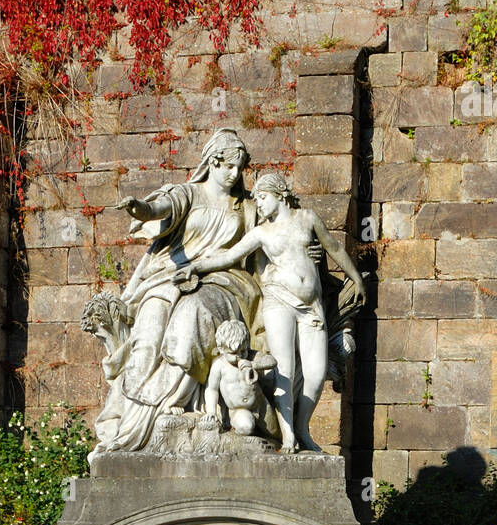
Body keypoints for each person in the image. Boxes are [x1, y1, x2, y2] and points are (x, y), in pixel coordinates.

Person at [90, 129, 265, 454]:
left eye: (240, 169)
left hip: (223, 283)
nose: (235, 175)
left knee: (191, 316)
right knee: (149, 328)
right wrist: (140, 208)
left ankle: (172, 405)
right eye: (229, 167)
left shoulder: (247, 208)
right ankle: (134, 418)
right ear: (213, 162)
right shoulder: (189, 194)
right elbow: (160, 208)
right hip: (170, 279)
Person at [174, 172, 367, 452]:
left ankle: (302, 427)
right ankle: (289, 435)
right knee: (284, 371)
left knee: (315, 374)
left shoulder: (308, 219)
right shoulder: (262, 233)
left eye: (262, 198)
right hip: (279, 303)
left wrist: (356, 278)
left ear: (279, 194)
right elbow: (228, 257)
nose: (259, 204)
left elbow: (333, 247)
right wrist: (195, 267)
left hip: (311, 306)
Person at [204, 319, 278, 440]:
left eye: (243, 350)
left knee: (275, 433)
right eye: (234, 353)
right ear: (221, 349)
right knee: (246, 427)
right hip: (239, 410)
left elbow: (271, 361)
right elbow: (212, 389)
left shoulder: (251, 356)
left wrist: (254, 365)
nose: (240, 356)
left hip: (261, 405)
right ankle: (236, 438)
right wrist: (211, 412)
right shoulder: (220, 365)